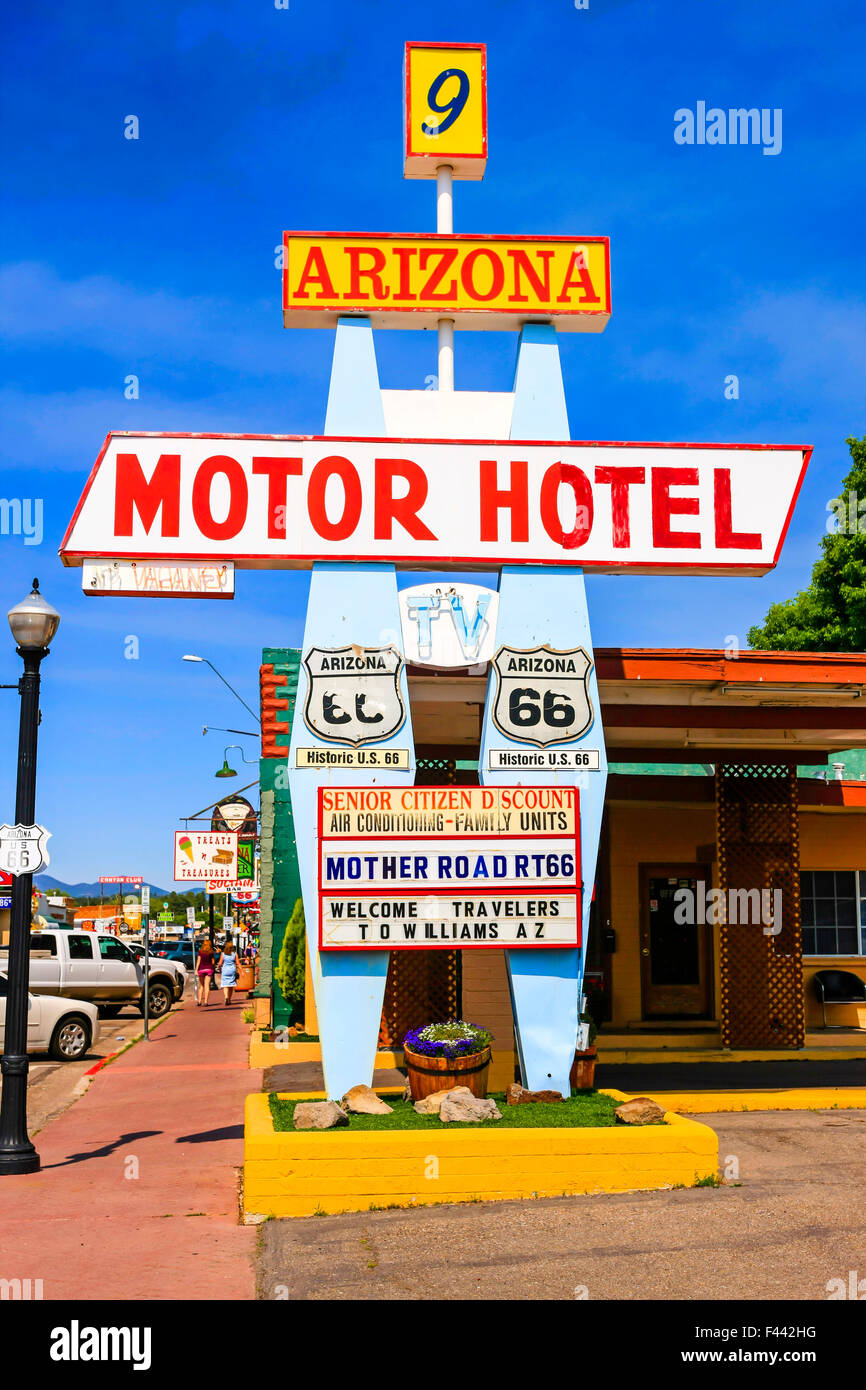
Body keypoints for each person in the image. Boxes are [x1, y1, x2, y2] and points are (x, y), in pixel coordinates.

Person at [216, 934, 239, 1006]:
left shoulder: (223, 954)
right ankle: (229, 999)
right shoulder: (235, 954)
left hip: (225, 970)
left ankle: (226, 997)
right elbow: (238, 963)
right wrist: (241, 970)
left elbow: (220, 964)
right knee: (231, 986)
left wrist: (220, 969)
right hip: (232, 970)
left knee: (225, 985)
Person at [194, 938, 215, 1006]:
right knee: (207, 986)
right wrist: (212, 967)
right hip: (209, 969)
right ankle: (206, 1001)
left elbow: (198, 961)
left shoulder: (200, 952)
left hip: (201, 969)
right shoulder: (211, 952)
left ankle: (199, 1001)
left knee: (201, 986)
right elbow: (213, 962)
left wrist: (196, 970)